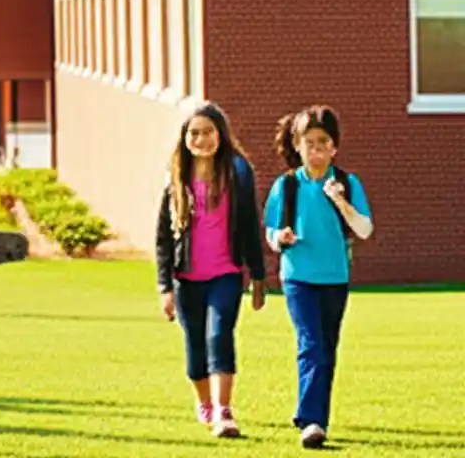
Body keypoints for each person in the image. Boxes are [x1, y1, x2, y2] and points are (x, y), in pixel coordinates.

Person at [153, 102, 266, 439]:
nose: (202, 139)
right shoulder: (176, 180)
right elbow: (162, 238)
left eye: (208, 132)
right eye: (195, 133)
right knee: (195, 346)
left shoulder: (237, 174)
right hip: (187, 280)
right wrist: (164, 288)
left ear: (221, 135)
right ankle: (204, 403)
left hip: (225, 275)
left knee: (219, 336)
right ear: (185, 139)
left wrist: (258, 277)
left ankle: (224, 410)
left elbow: (249, 226)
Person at [264, 105, 373, 450]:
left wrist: (341, 202)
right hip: (299, 278)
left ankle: (315, 419)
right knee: (310, 344)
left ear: (334, 146)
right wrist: (278, 238)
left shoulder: (347, 183)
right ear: (298, 146)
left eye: (323, 142)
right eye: (309, 142)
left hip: (335, 278)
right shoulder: (287, 185)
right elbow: (270, 229)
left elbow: (365, 230)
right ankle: (311, 420)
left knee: (326, 349)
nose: (316, 149)